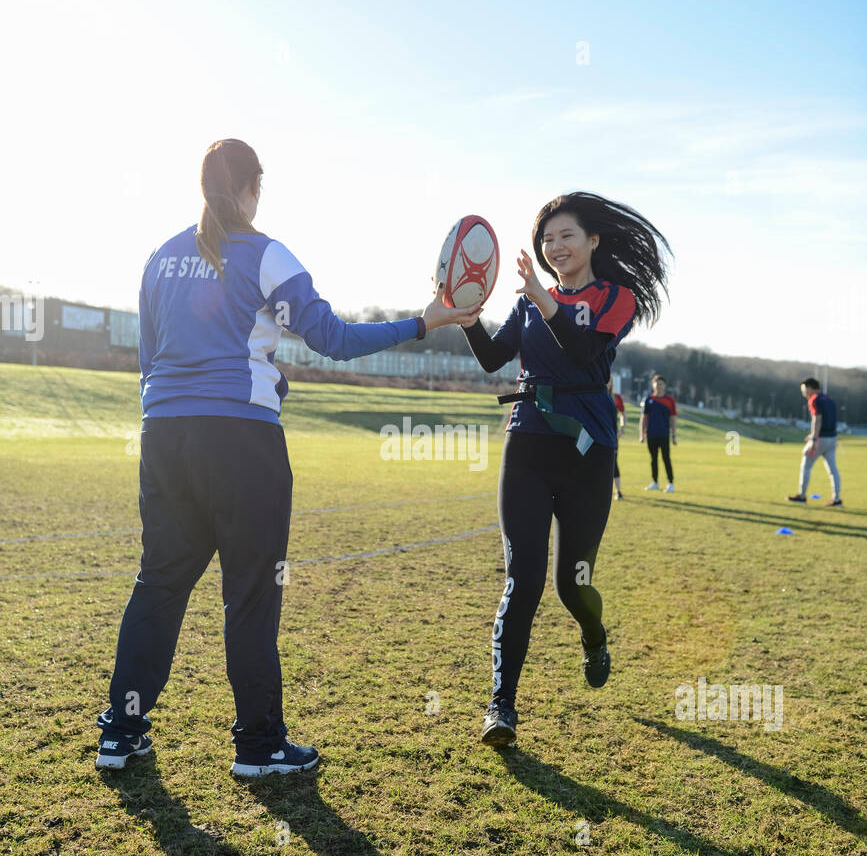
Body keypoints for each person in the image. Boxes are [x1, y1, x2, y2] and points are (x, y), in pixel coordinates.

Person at [96, 138, 480, 776]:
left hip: (164, 434)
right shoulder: (267, 253)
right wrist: (423, 322)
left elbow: (149, 357)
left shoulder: (159, 257)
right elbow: (331, 339)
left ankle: (122, 731)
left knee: (158, 583)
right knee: (250, 593)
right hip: (243, 442)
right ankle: (259, 745)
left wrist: (171, 413)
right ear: (252, 189)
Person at [462, 191, 670, 748]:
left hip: (588, 453)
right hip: (528, 444)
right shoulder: (533, 301)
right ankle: (501, 708)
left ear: (593, 241)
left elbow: (581, 352)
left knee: (570, 585)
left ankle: (594, 634)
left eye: (566, 236)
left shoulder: (615, 298)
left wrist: (542, 300)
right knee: (522, 579)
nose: (555, 247)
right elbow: (491, 357)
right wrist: (466, 315)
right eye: (548, 239)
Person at [788, 378, 843, 506]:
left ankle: (801, 496)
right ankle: (837, 499)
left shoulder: (814, 399)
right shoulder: (829, 399)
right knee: (833, 469)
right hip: (832, 438)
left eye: (803, 389)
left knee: (806, 463)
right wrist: (813, 434)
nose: (803, 392)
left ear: (810, 388)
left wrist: (814, 438)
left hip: (821, 439)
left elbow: (817, 419)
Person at [640, 374, 677, 491]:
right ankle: (654, 482)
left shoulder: (670, 400)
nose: (659, 386)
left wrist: (674, 435)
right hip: (651, 434)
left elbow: (673, 418)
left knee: (666, 458)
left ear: (664, 386)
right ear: (653, 385)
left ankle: (670, 483)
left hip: (664, 434)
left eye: (661, 384)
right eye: (657, 383)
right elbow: (644, 418)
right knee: (653, 459)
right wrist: (641, 434)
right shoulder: (648, 400)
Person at [608, 376, 626, 499]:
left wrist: (622, 428)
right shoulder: (595, 396)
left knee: (613, 463)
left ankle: (618, 491)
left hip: (611, 437)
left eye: (608, 380)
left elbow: (623, 414)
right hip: (596, 435)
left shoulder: (616, 398)